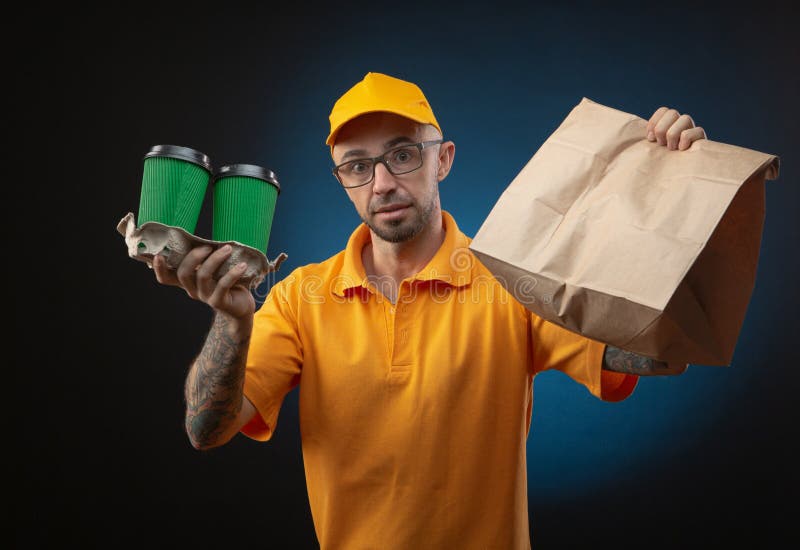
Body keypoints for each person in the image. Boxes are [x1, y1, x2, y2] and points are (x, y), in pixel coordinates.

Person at [152, 72, 705, 549]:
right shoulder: (301, 297)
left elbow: (657, 350)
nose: (384, 183)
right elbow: (208, 428)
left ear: (443, 159)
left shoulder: (511, 282)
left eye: (402, 154)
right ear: (342, 182)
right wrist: (232, 320)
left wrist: (675, 196)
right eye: (357, 166)